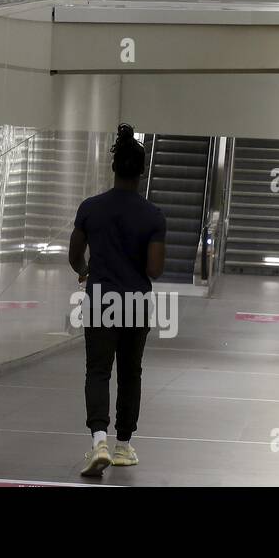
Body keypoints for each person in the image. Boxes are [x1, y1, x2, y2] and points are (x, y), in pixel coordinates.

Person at [68, 124, 167, 478]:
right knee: (129, 372)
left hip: (100, 300)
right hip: (136, 303)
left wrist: (85, 271)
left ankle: (99, 441)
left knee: (97, 370)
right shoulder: (153, 216)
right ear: (141, 171)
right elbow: (154, 269)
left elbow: (75, 255)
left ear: (114, 168)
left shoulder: (90, 208)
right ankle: (124, 446)